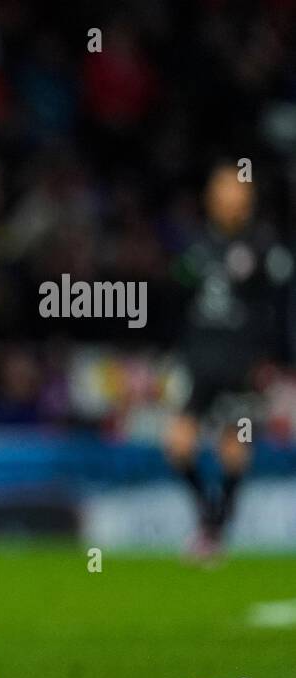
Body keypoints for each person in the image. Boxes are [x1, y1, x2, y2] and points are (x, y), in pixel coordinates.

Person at [165, 163, 290, 561]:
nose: (230, 202)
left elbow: (280, 307)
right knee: (179, 444)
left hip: (242, 366)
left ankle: (217, 525)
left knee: (234, 447)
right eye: (223, 193)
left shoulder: (265, 248)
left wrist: (275, 357)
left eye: (237, 194)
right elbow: (176, 300)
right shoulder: (197, 246)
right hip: (201, 364)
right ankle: (209, 511)